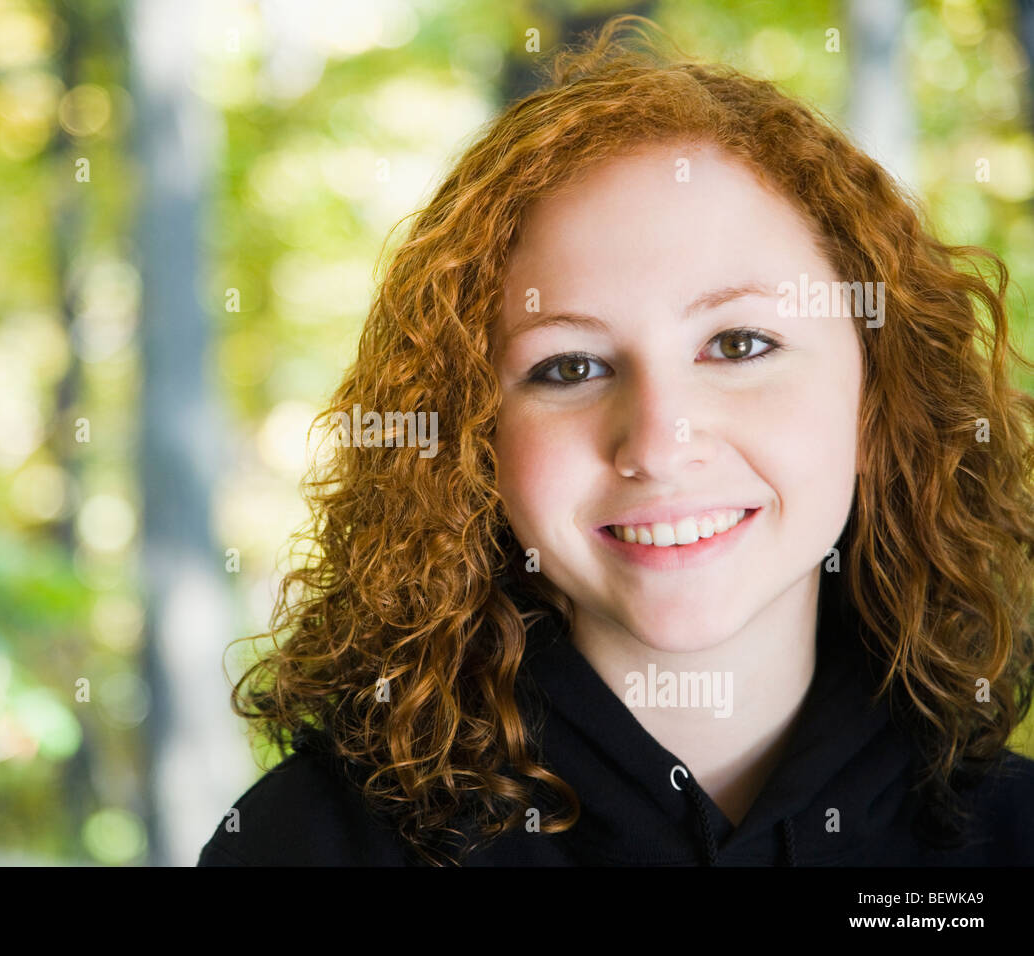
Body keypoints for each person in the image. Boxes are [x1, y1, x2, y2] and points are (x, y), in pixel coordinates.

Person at [197, 15, 1034, 866]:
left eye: (739, 344)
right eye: (569, 367)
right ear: (476, 441)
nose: (660, 445)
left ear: (877, 397)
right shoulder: (303, 845)